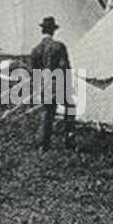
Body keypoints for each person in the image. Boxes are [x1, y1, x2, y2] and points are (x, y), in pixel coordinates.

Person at [28, 15, 74, 150]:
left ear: (43, 30)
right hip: (57, 83)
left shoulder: (36, 50)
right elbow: (64, 67)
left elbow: (34, 72)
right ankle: (69, 137)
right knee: (70, 107)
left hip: (44, 84)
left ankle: (43, 144)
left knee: (48, 113)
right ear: (53, 31)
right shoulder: (59, 47)